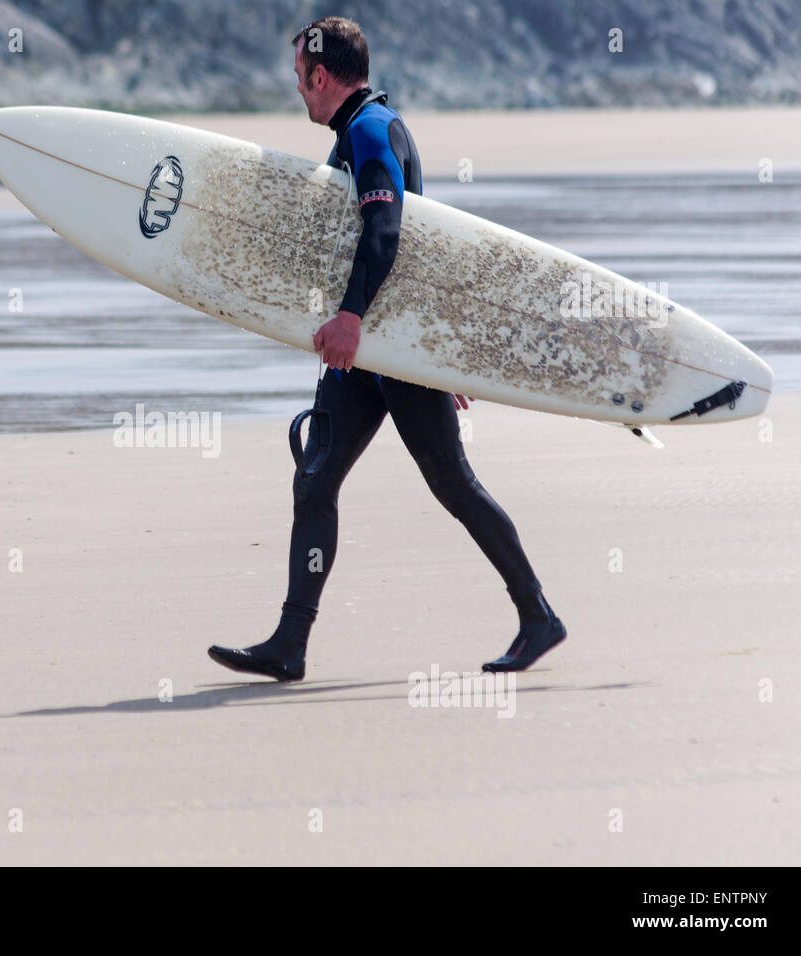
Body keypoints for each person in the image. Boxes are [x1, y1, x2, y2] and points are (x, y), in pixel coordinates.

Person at [207, 16, 566, 682]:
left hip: (389, 346)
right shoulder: (352, 136)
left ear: (320, 75)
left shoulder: (372, 130)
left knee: (453, 485)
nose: (297, 91)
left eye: (297, 78)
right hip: (364, 357)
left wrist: (360, 322)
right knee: (313, 483)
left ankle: (537, 614)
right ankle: (290, 644)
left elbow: (387, 232)